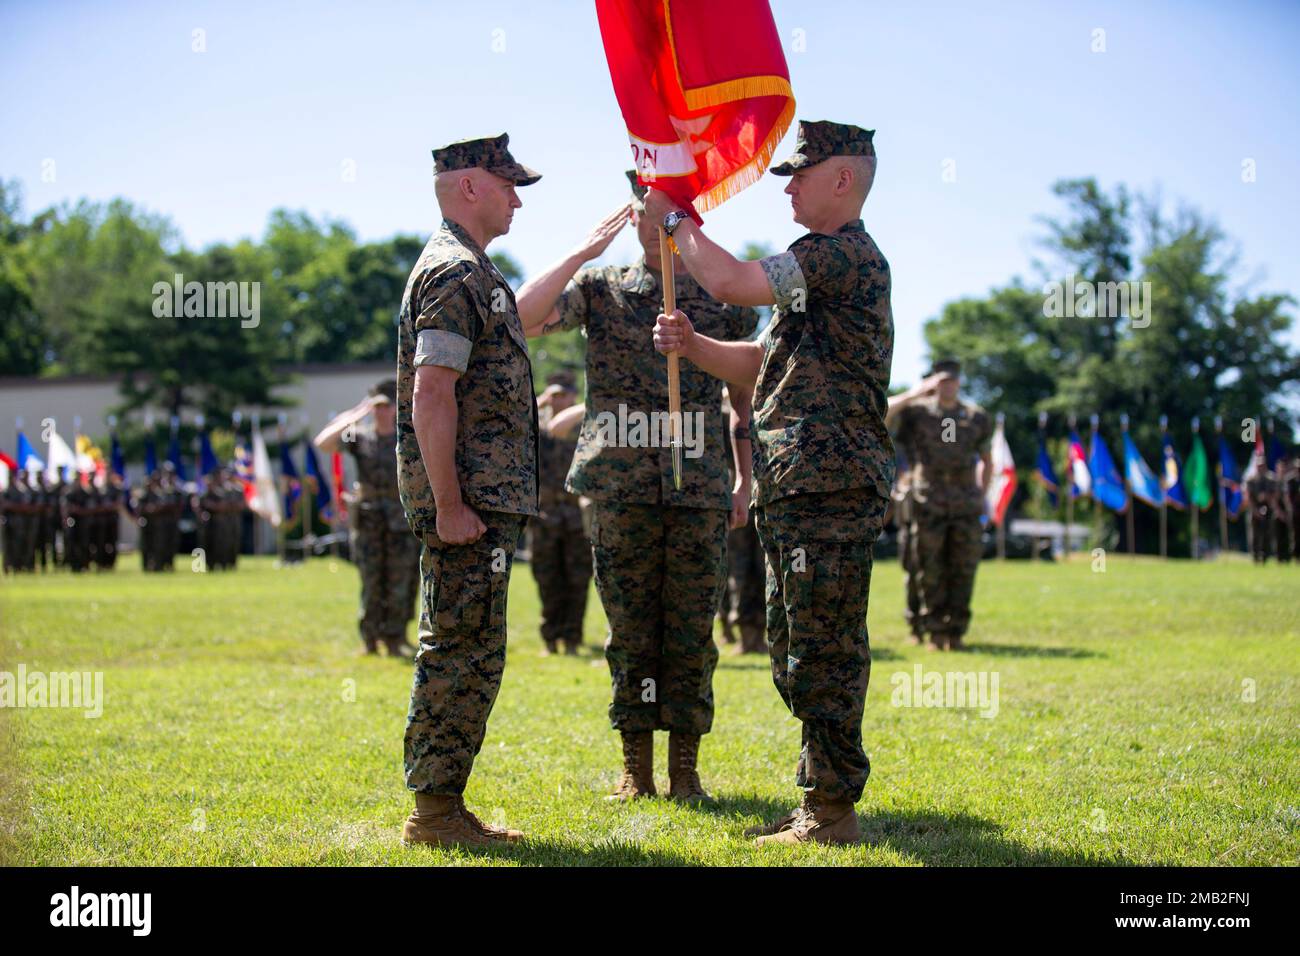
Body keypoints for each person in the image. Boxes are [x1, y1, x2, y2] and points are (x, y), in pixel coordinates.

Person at [650, 119, 893, 844]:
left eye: (802, 172)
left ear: (842, 179)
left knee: (821, 645)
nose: (787, 184)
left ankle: (831, 809)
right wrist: (694, 346)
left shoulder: (839, 253)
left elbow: (729, 280)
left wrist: (673, 218)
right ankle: (820, 797)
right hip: (801, 483)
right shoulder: (820, 267)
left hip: (829, 483)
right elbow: (761, 367)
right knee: (797, 643)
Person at [518, 171, 757, 804]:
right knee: (628, 629)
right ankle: (635, 768)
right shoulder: (601, 290)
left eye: (670, 212)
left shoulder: (723, 295)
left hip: (700, 486)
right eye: (646, 212)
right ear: (630, 217)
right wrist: (580, 254)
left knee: (691, 629)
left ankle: (685, 770)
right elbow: (523, 315)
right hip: (620, 488)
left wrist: (743, 480)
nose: (656, 225)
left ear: (690, 218)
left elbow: (744, 399)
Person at [397, 133, 541, 847]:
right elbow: (432, 392)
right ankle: (435, 813)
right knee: (460, 650)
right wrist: (449, 503)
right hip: (468, 505)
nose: (518, 197)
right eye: (508, 183)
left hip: (482, 501)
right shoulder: (455, 273)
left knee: (474, 649)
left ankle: (443, 807)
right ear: (469, 187)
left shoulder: (474, 269)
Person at [886, 362, 991, 650]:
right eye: (941, 380)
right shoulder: (917, 412)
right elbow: (883, 415)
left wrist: (983, 494)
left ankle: (956, 631)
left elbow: (987, 459)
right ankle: (932, 630)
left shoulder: (975, 417)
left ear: (959, 383)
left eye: (952, 380)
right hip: (927, 499)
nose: (947, 386)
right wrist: (916, 392)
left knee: (963, 567)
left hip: (965, 499)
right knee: (927, 567)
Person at [315, 380, 420, 657]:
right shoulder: (359, 438)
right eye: (378, 406)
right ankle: (370, 639)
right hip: (369, 520)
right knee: (371, 581)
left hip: (400, 519)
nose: (382, 411)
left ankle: (396, 638)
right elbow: (323, 443)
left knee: (401, 581)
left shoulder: (407, 437)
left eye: (387, 406)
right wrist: (358, 412)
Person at [529, 371, 592, 656]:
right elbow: (516, 428)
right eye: (553, 395)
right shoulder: (537, 430)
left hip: (577, 517)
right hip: (545, 518)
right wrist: (538, 404)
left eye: (563, 395)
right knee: (547, 578)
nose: (558, 400)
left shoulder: (586, 429)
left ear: (573, 397)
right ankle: (551, 638)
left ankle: (572, 639)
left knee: (577, 579)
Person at [1243, 448, 1277, 564]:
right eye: (1258, 465)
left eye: (1262, 465)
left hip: (1268, 510)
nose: (1260, 467)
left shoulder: (1271, 479)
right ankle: (1255, 556)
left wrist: (1267, 498)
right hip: (1254, 511)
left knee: (1267, 534)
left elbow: (1275, 495)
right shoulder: (1250, 480)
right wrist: (1256, 511)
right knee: (1254, 535)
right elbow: (1248, 497)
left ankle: (1265, 556)